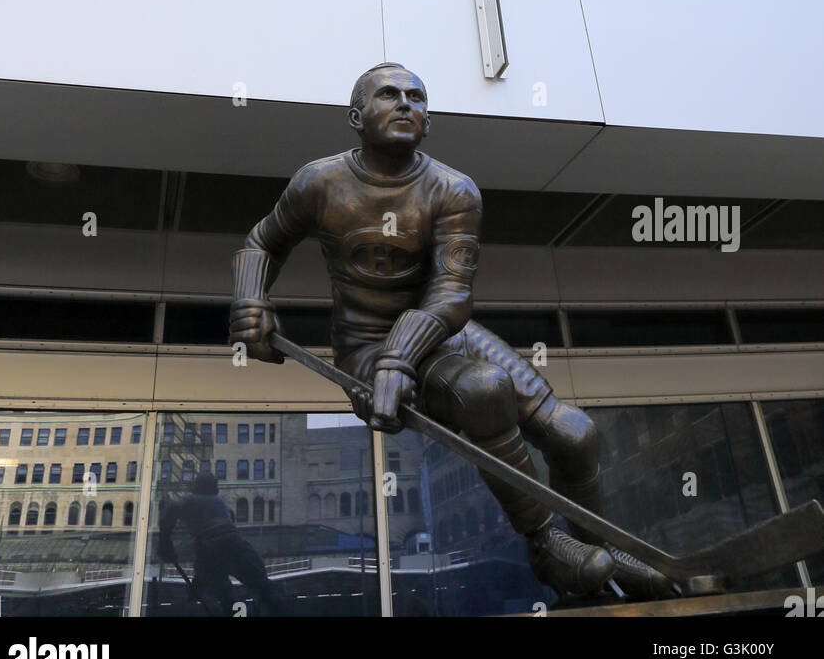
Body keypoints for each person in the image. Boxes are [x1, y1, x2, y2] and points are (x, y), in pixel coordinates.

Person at [229, 62, 672, 600]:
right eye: (388, 95)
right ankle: (544, 544)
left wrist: (402, 357)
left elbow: (451, 294)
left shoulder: (453, 189)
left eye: (417, 98)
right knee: (485, 391)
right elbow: (261, 241)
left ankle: (603, 545)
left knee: (575, 433)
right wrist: (252, 299)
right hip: (366, 345)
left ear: (428, 119)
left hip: (441, 335)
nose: (405, 104)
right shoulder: (319, 182)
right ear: (356, 116)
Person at [158, 473, 285, 616]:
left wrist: (165, 542)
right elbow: (231, 517)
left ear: (197, 487)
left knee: (221, 588)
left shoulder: (190, 500)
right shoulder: (221, 502)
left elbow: (170, 510)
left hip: (211, 546)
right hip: (235, 543)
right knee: (262, 584)